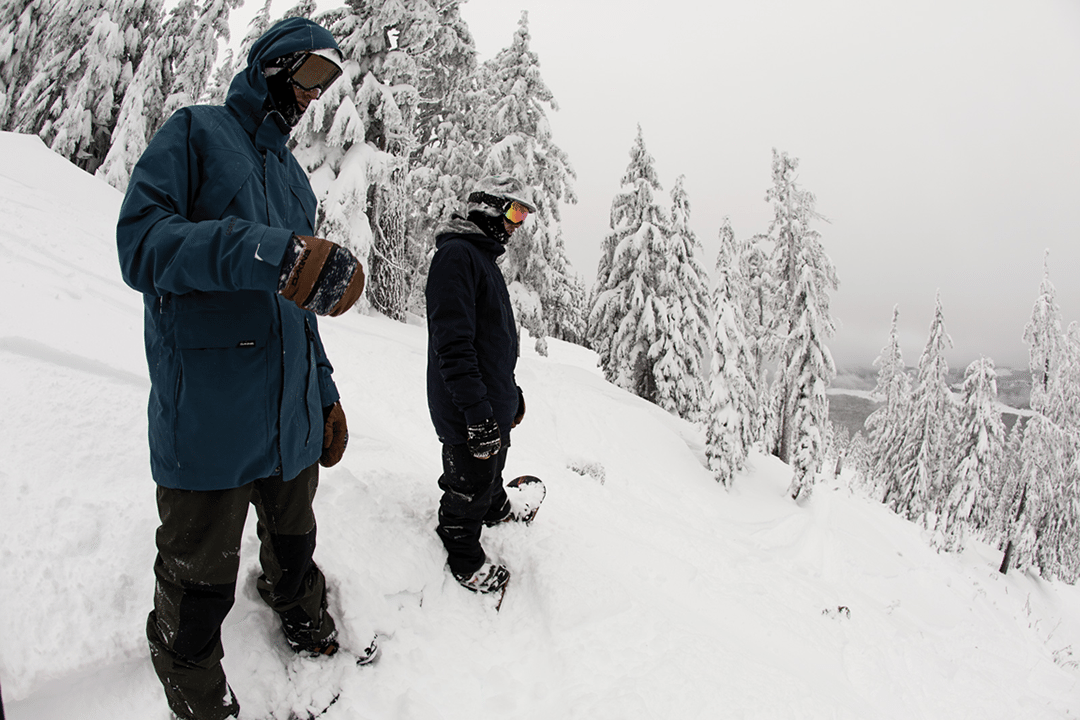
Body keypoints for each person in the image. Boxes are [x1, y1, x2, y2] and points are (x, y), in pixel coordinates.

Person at [116, 18, 373, 720]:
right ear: (272, 65)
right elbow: (141, 244)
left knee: (295, 543)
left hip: (286, 413)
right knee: (198, 586)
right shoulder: (195, 134)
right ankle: (189, 675)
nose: (313, 99)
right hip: (212, 414)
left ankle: (297, 607)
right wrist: (269, 254)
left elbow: (299, 309)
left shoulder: (293, 180)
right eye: (311, 76)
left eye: (327, 86)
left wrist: (324, 397)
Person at [425, 174, 539, 594]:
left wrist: (510, 396)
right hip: (466, 403)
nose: (517, 223)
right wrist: (475, 411)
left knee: (493, 463)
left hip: (489, 399)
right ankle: (463, 554)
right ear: (487, 208)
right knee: (468, 483)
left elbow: (491, 343)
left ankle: (495, 507)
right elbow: (452, 344)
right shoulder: (457, 257)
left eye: (523, 214)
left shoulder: (480, 259)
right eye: (513, 211)